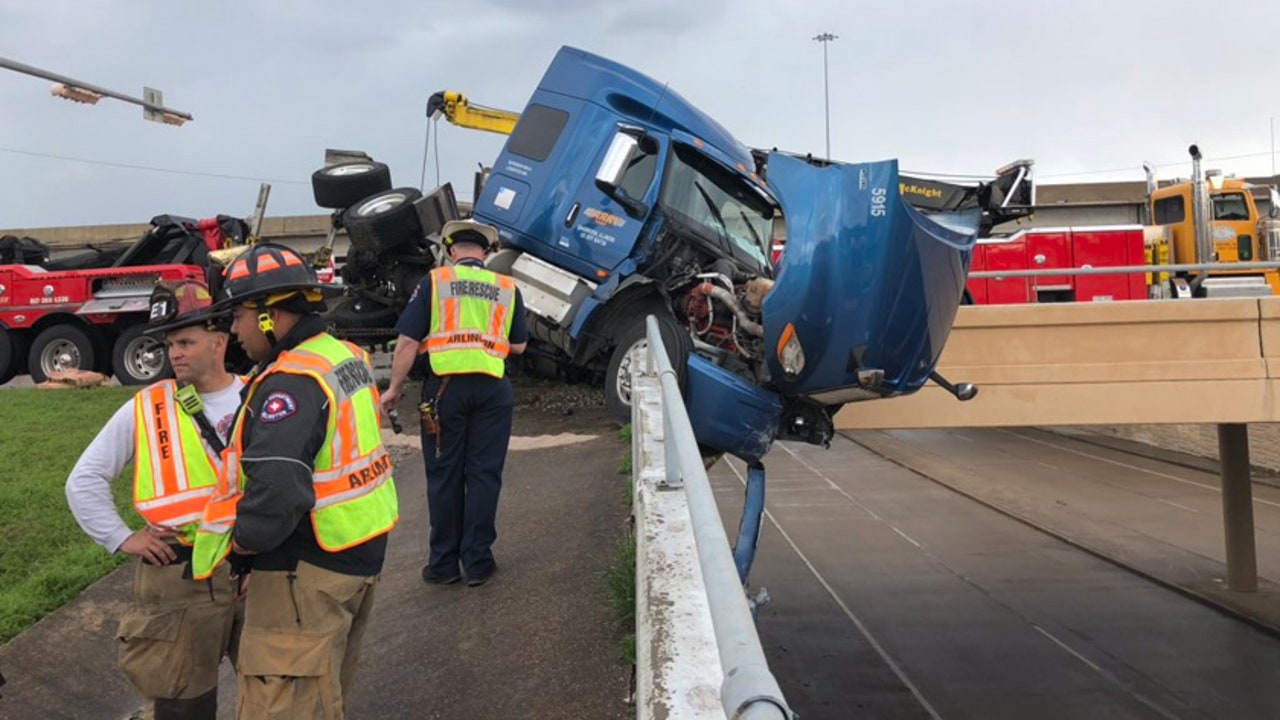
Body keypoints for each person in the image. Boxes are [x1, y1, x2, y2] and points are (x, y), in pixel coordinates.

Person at [190, 242, 397, 719]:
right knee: (322, 698)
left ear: (271, 315)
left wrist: (244, 545)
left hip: (303, 571)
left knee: (282, 707)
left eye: (238, 315)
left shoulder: (291, 381)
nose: (233, 329)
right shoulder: (343, 355)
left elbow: (280, 488)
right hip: (355, 554)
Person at [65, 279, 243, 720]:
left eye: (186, 342)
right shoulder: (148, 407)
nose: (174, 353)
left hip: (253, 572)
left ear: (219, 342)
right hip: (178, 577)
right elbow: (83, 480)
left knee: (274, 696)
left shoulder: (258, 394)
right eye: (169, 344)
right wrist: (123, 538)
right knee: (183, 704)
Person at [382, 219, 527, 587]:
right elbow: (519, 346)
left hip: (445, 391)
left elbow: (407, 342)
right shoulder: (507, 288)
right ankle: (478, 562)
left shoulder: (435, 282)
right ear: (487, 252)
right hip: (493, 390)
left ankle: (444, 564)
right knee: (484, 474)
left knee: (445, 474)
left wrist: (394, 388)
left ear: (449, 251)